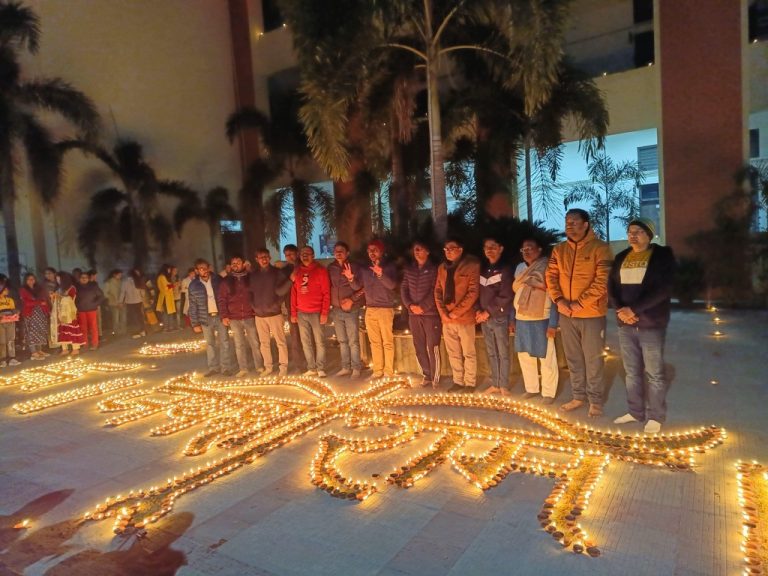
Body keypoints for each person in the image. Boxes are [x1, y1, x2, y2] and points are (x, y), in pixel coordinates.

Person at [609, 218, 676, 434]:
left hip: (650, 323)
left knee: (654, 373)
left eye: (638, 231)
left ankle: (655, 416)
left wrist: (634, 310)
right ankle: (635, 412)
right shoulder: (621, 257)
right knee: (631, 372)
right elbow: (611, 287)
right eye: (630, 231)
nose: (633, 235)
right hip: (625, 324)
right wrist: (621, 310)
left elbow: (663, 289)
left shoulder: (662, 256)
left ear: (649, 235)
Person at [546, 208, 613, 418]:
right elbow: (551, 276)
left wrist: (579, 304)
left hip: (591, 314)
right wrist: (559, 300)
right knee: (573, 358)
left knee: (593, 359)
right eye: (567, 222)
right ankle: (578, 396)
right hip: (566, 313)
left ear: (586, 225)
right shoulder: (559, 250)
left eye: (574, 222)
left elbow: (602, 281)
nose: (570, 225)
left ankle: (595, 400)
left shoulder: (600, 248)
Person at [511, 238, 560, 404]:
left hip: (542, 319)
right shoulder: (520, 269)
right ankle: (531, 388)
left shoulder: (547, 267)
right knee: (525, 356)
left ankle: (548, 392)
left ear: (539, 249)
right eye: (523, 249)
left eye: (530, 248)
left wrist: (553, 324)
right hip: (521, 319)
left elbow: (554, 296)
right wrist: (513, 319)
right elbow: (516, 294)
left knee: (546, 357)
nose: (526, 252)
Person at [346, 239, 398, 379]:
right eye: (369, 250)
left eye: (375, 250)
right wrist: (351, 279)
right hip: (370, 308)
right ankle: (377, 370)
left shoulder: (389, 266)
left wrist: (381, 274)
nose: (372, 253)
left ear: (381, 251)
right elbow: (357, 286)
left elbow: (392, 285)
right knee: (374, 342)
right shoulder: (365, 269)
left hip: (385, 309)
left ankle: (388, 372)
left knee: (387, 342)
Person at [435, 238, 480, 393]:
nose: (448, 251)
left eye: (451, 248)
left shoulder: (471, 265)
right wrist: (443, 313)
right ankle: (458, 381)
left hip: (464, 318)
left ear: (460, 249)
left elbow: (473, 292)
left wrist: (455, 312)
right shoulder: (442, 268)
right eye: (445, 249)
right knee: (453, 353)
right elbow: (437, 291)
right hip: (447, 319)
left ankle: (470, 383)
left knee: (468, 352)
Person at [400, 240, 441, 388]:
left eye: (420, 249)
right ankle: (427, 375)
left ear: (427, 252)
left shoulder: (434, 269)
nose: (417, 252)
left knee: (432, 347)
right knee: (419, 346)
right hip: (414, 315)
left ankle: (435, 377)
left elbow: (435, 290)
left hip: (430, 315)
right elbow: (404, 288)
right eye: (415, 250)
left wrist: (423, 306)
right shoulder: (409, 269)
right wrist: (410, 305)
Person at [476, 237, 513, 395]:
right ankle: (495, 383)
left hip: (499, 317)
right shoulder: (483, 270)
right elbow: (477, 293)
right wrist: (478, 311)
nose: (489, 250)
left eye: (493, 246)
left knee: (503, 352)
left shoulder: (505, 269)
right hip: (485, 319)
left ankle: (503, 384)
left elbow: (506, 295)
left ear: (500, 248)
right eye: (486, 247)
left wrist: (488, 312)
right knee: (491, 352)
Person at [188, 258, 236, 377]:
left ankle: (226, 367)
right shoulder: (194, 285)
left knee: (224, 342)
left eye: (206, 268)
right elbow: (193, 305)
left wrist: (227, 314)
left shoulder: (218, 280)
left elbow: (226, 297)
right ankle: (213, 367)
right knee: (210, 344)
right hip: (205, 318)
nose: (204, 270)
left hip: (220, 316)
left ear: (209, 267)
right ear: (197, 270)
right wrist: (195, 323)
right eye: (201, 269)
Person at [218, 255, 263, 377]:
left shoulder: (250, 278)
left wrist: (256, 310)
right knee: (239, 345)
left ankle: (259, 366)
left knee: (255, 343)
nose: (235, 265)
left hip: (250, 316)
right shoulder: (226, 281)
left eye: (238, 262)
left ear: (243, 264)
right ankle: (243, 368)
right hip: (234, 318)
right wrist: (224, 316)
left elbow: (257, 294)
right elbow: (222, 299)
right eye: (233, 263)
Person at [290, 246, 330, 377]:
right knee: (305, 342)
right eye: (302, 253)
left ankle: (320, 368)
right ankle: (311, 368)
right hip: (301, 313)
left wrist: (324, 312)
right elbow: (294, 293)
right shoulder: (297, 272)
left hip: (316, 312)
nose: (305, 255)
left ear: (313, 255)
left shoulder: (321, 270)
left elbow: (326, 293)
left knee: (320, 341)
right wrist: (294, 312)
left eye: (307, 253)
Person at [251, 248, 292, 376]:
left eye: (266, 256)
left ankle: (283, 367)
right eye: (261, 257)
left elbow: (283, 291)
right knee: (264, 343)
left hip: (274, 313)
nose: (264, 259)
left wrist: (276, 304)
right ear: (257, 259)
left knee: (280, 341)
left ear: (269, 258)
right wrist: (253, 306)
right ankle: (268, 367)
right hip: (259, 315)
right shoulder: (254, 275)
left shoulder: (277, 273)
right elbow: (250, 292)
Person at [327, 241, 365, 378]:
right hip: (336, 309)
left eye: (341, 251)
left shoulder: (355, 266)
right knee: (342, 341)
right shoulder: (331, 267)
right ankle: (345, 367)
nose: (338, 253)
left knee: (353, 341)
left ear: (347, 253)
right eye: (336, 251)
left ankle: (356, 367)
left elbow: (361, 287)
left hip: (351, 309)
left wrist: (351, 280)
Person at [281, 244, 306, 372]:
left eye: (291, 254)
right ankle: (299, 365)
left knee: (309, 337)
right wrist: (290, 279)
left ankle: (312, 363)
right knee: (295, 337)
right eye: (286, 255)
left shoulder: (305, 266)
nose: (289, 257)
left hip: (307, 307)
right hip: (292, 307)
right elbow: (281, 290)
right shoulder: (284, 271)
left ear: (297, 253)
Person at [20, 273, 51, 360]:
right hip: (30, 313)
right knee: (31, 332)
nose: (31, 281)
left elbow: (44, 300)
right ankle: (33, 352)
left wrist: (46, 309)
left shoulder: (38, 289)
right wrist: (38, 302)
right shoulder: (23, 290)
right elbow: (26, 303)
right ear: (25, 280)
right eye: (29, 279)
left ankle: (39, 350)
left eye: (33, 279)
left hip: (40, 313)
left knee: (40, 331)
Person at [55, 272, 86, 355]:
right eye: (57, 279)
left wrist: (60, 297)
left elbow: (70, 299)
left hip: (69, 311)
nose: (58, 281)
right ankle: (64, 349)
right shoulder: (59, 289)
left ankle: (75, 348)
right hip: (61, 312)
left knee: (72, 329)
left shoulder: (71, 288)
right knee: (63, 330)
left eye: (59, 279)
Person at [76, 271, 105, 351]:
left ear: (88, 279)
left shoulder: (93, 286)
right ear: (79, 279)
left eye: (85, 277)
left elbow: (101, 296)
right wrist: (76, 305)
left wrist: (95, 304)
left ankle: (95, 343)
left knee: (93, 327)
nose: (84, 279)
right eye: (82, 277)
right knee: (83, 327)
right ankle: (85, 343)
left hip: (91, 309)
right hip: (81, 310)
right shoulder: (76, 287)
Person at [0, 274, 21, 367]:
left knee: (11, 340)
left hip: (10, 322)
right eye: (5, 289)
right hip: (1, 323)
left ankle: (12, 358)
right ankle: (3, 359)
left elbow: (13, 309)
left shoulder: (10, 300)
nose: (7, 290)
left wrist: (16, 313)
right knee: (2, 341)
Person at [121, 268, 147, 339]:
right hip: (138, 301)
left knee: (133, 317)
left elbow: (123, 292)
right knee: (140, 316)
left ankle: (136, 332)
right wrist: (142, 297)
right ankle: (142, 331)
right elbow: (142, 291)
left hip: (129, 302)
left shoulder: (125, 281)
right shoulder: (138, 280)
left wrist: (120, 301)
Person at [155, 264, 178, 331]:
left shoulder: (164, 277)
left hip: (168, 297)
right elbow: (165, 287)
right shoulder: (162, 277)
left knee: (169, 312)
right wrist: (173, 285)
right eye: (168, 269)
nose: (169, 270)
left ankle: (170, 327)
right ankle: (167, 327)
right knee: (166, 313)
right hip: (165, 297)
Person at [104, 269, 125, 337]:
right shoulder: (109, 282)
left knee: (123, 318)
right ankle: (116, 332)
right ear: (114, 275)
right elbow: (105, 293)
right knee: (115, 318)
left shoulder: (121, 282)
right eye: (119, 275)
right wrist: (112, 298)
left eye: (121, 275)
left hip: (121, 302)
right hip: (114, 303)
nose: (120, 276)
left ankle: (123, 331)